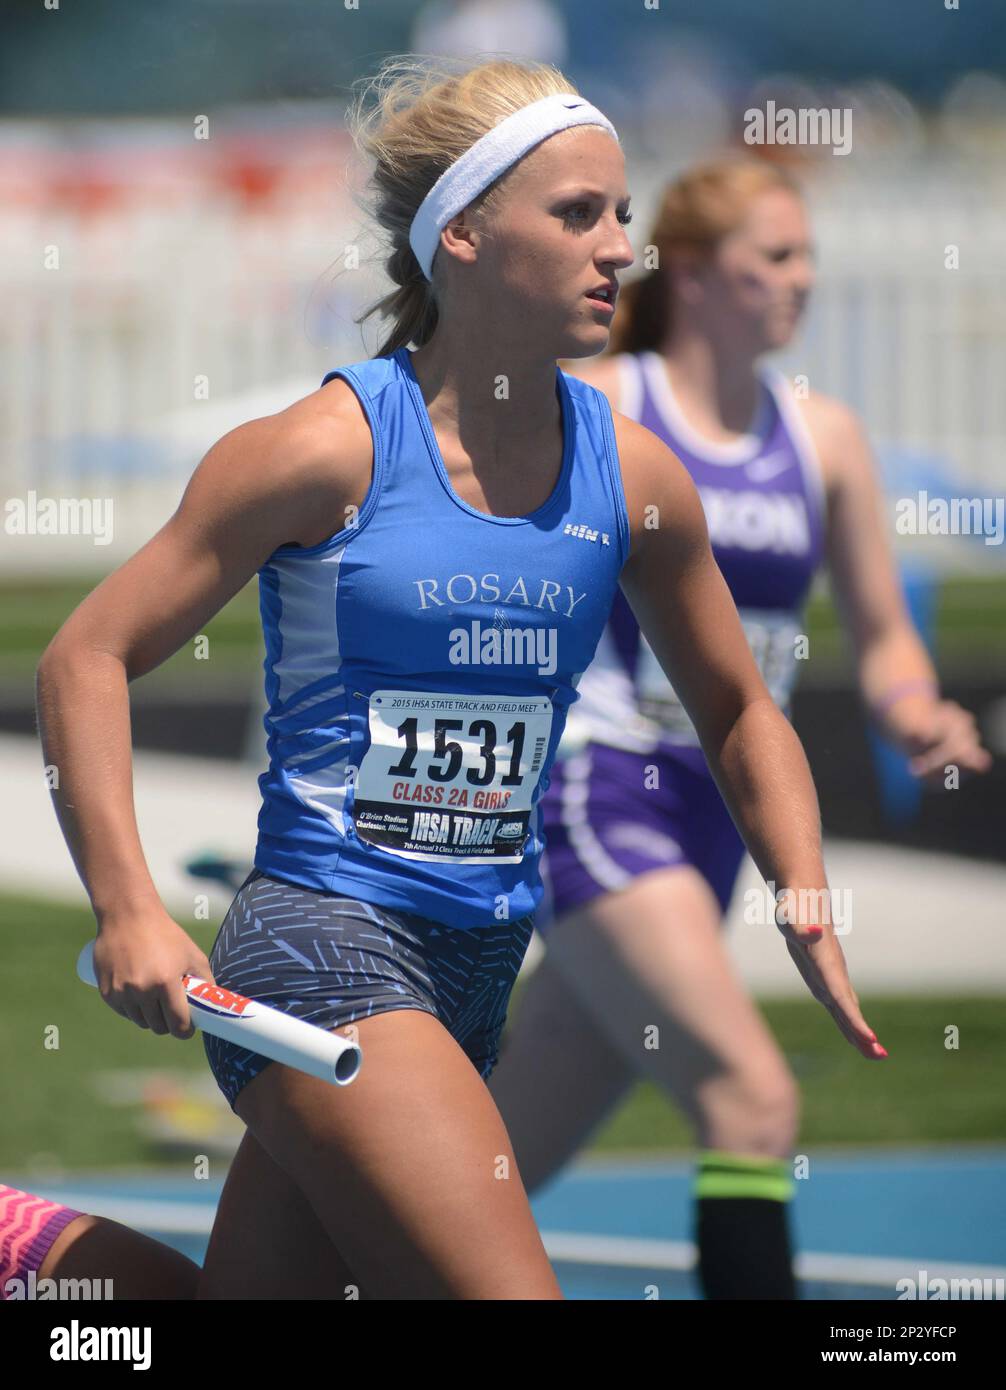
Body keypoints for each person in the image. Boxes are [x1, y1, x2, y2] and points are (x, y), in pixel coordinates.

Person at [26, 59, 883, 1302]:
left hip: (481, 968)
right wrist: (127, 906)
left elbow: (742, 704)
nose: (619, 249)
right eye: (578, 213)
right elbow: (86, 654)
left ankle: (23, 1252)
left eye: (623, 214)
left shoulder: (633, 475)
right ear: (465, 235)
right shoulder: (322, 451)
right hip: (323, 951)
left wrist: (800, 883)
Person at [485, 157, 992, 1299]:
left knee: (482, 1175)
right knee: (753, 1099)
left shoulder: (826, 439)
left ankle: (291, 1266)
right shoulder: (611, 403)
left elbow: (883, 634)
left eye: (807, 255)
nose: (803, 279)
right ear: (703, 274)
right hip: (597, 790)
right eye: (777, 256)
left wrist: (916, 715)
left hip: (721, 816)